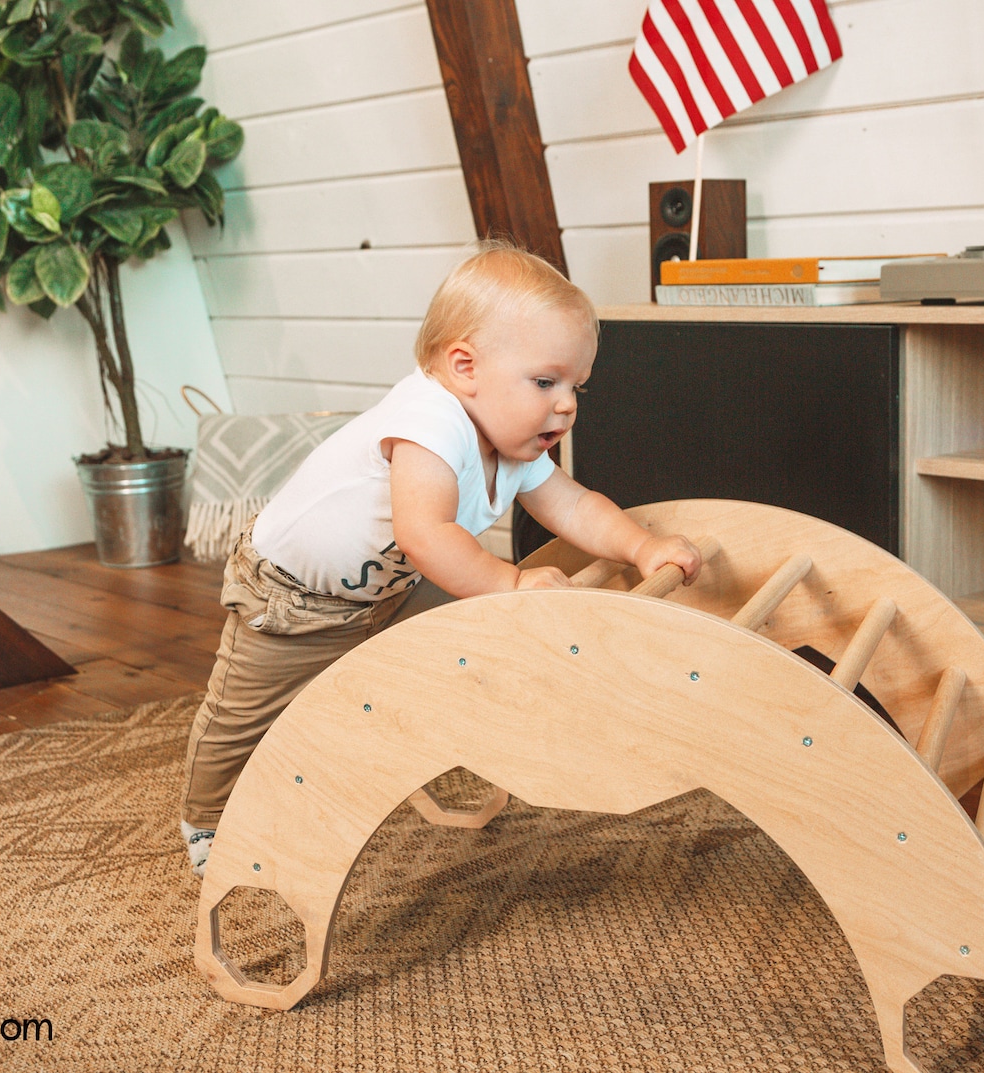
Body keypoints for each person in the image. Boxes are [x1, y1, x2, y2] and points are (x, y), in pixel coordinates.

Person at [179, 241, 703, 876]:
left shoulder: (512, 439)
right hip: (293, 600)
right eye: (545, 382)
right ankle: (205, 821)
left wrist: (642, 547)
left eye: (575, 386)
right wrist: (510, 581)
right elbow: (426, 535)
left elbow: (573, 505)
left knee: (463, 648)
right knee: (241, 717)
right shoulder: (430, 420)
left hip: (389, 591)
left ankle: (451, 745)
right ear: (464, 367)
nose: (566, 404)